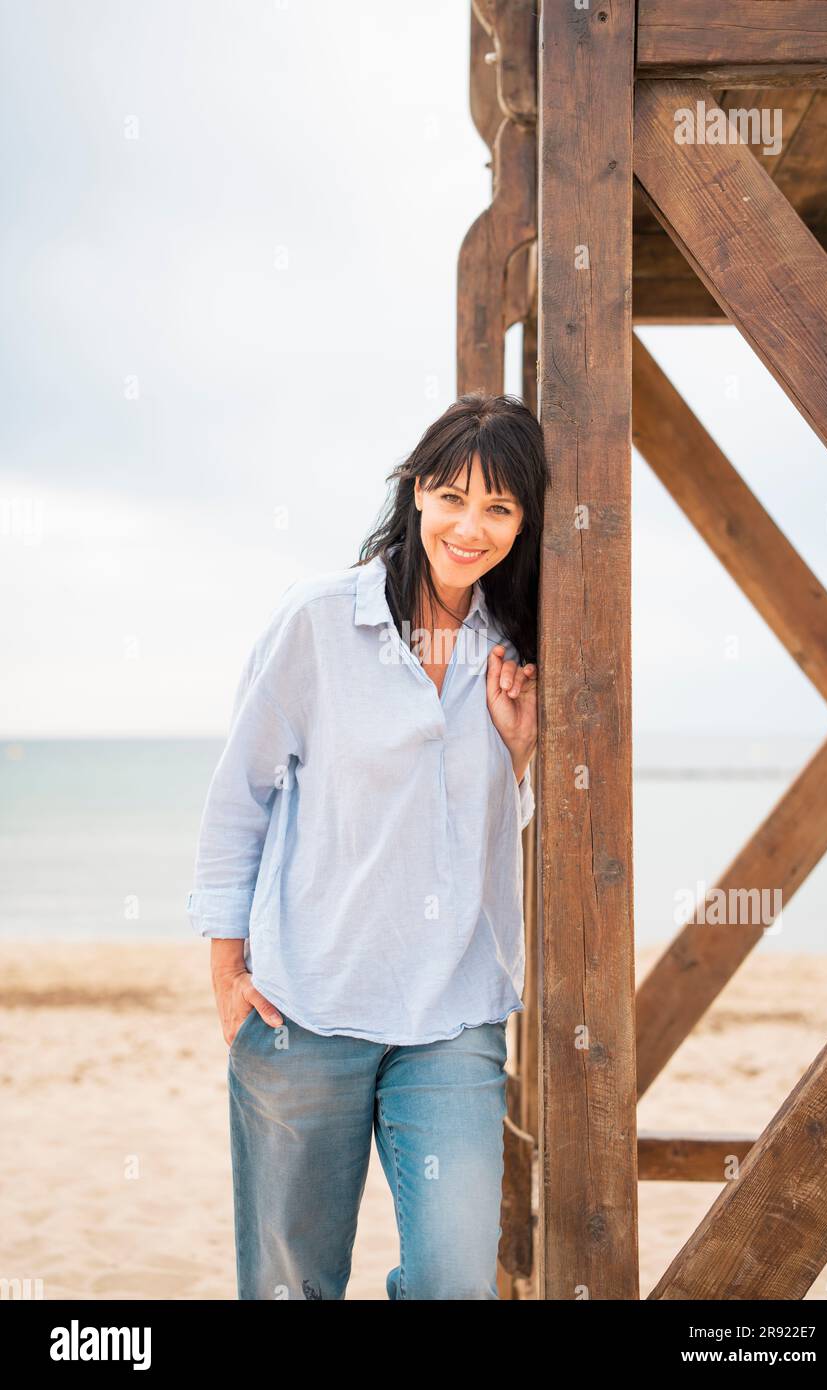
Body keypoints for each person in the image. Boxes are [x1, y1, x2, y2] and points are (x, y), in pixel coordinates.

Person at [187, 392, 551, 1299]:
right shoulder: (317, 621)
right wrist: (228, 976)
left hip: (453, 1014)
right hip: (306, 1010)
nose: (472, 528)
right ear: (416, 492)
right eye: (454, 497)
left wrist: (516, 756)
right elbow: (239, 799)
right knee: (290, 1285)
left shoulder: (506, 649)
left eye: (500, 508)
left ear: (525, 522)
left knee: (456, 1280)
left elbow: (480, 832)